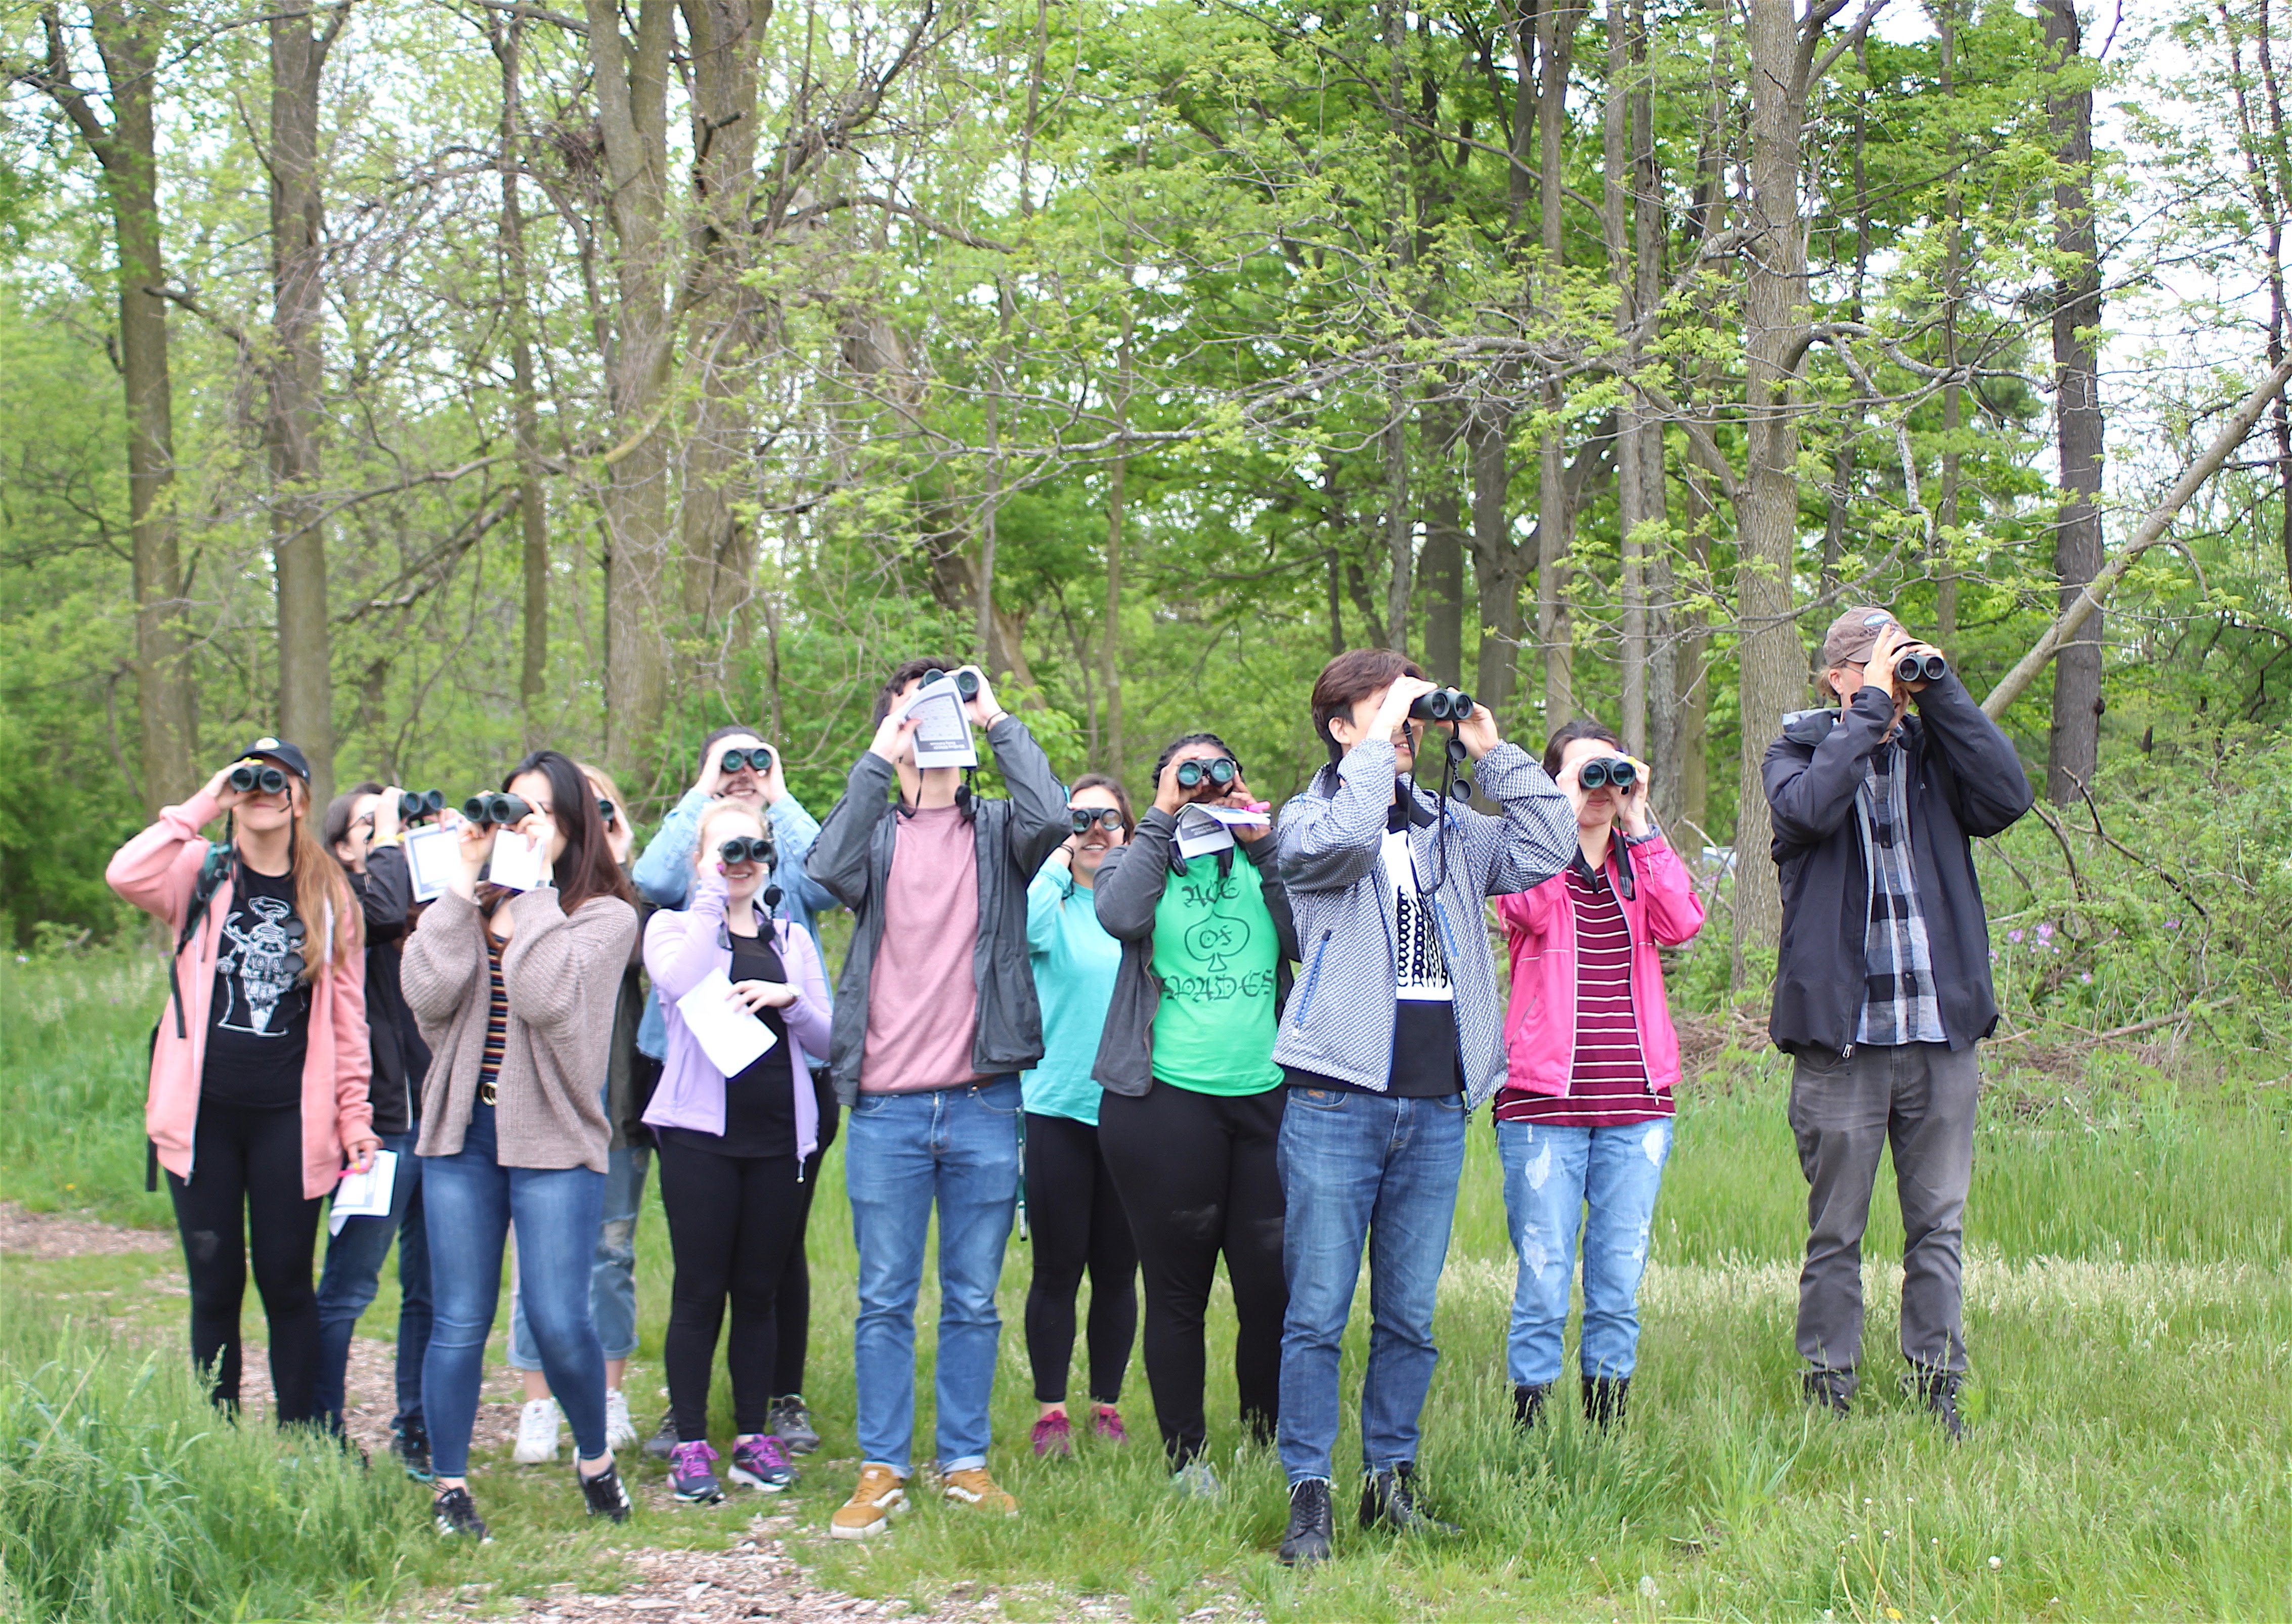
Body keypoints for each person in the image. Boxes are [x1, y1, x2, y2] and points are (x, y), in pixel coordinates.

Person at [1270, 651, 1574, 1564]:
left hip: (1436, 1102)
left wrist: (1491, 749)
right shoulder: (1309, 817)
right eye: (1384, 710)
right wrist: (1379, 745)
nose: (1406, 727)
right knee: (1318, 1311)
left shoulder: (1450, 826)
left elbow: (1551, 846)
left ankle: (1391, 1481)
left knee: (1410, 1315)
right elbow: (1341, 843)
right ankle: (1309, 1492)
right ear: (1339, 727)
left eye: (1412, 712)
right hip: (1337, 1096)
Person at [804, 658, 1067, 1538]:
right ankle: (880, 1468)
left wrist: (996, 719)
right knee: (882, 1296)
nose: (931, 725)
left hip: (984, 1101)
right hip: (885, 1107)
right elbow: (823, 869)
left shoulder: (997, 830)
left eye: (940, 711)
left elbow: (1055, 818)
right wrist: (882, 754)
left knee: (972, 1298)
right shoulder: (872, 834)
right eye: (915, 715)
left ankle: (964, 1465)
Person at [1764, 609, 2033, 1438]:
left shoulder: (1935, 757)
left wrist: (1941, 694)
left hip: (1937, 1035)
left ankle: (1937, 1385)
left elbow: (2008, 798)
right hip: (1843, 1045)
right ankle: (1829, 1387)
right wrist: (1869, 715)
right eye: (1883, 663)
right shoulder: (1798, 752)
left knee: (1938, 1227)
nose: (1899, 678)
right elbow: (1807, 815)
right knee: (1836, 1229)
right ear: (1843, 674)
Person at [401, 749, 640, 1539]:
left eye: (536, 815)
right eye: (508, 811)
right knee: (459, 1319)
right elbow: (428, 1000)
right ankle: (450, 1488)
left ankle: (595, 1459)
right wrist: (457, 891)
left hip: (555, 1140)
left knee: (559, 1317)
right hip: (461, 1132)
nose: (517, 827)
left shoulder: (607, 918)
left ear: (572, 829)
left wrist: (530, 897)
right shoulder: (467, 907)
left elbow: (549, 1004)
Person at [106, 738, 378, 1429]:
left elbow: (349, 1024)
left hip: (292, 1117)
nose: (264, 791)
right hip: (204, 1118)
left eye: (279, 781)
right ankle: (217, 1442)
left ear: (303, 799)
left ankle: (300, 1441)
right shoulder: (199, 871)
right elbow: (125, 873)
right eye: (252, 779)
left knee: (288, 1283)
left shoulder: (329, 895)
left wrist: (355, 1120)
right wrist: (206, 801)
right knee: (215, 1284)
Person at [1091, 737, 1296, 1495]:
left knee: (1268, 1286)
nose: (1204, 783)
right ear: (1162, 788)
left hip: (1266, 1097)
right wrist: (1161, 819)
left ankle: (1265, 1438)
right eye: (1188, 773)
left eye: (1218, 771)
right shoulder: (1133, 862)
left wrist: (1262, 838)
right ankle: (1187, 1458)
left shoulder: (1258, 860)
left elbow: (1308, 938)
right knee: (1176, 1288)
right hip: (1164, 1100)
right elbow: (1118, 917)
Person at [632, 725, 840, 1457]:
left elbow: (827, 1038)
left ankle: (755, 1431)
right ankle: (691, 1437)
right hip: (699, 1134)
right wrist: (710, 883)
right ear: (703, 859)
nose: (743, 864)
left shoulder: (792, 939)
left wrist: (792, 1001)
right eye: (729, 852)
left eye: (754, 852)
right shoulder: (672, 926)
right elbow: (683, 977)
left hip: (780, 1130)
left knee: (759, 1288)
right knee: (699, 1288)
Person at [1494, 721, 1705, 1433]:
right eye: (1582, 773)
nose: (1598, 789)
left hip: (1636, 1105)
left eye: (1607, 773)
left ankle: (1605, 1427)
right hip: (1541, 1105)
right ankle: (1530, 1428)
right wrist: (1555, 817)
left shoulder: (1637, 860)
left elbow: (1682, 923)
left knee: (1617, 1279)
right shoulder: (1531, 859)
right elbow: (1524, 908)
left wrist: (1639, 817)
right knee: (1545, 1277)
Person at [505, 764, 652, 1462]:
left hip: (613, 1104)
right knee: (536, 1268)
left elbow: (646, 945)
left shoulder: (620, 903)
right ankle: (539, 1404)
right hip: (532, 1107)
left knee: (610, 1255)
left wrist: (618, 849)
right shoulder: (507, 894)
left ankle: (608, 1391)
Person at [314, 781, 437, 1473]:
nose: (386, 837)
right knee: (350, 1287)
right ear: (338, 848)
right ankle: (321, 1427)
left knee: (432, 1291)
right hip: (378, 1129)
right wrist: (391, 839)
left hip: (442, 1128)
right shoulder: (338, 905)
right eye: (368, 827)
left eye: (392, 827)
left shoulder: (425, 913)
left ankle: (416, 1424)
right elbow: (380, 909)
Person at [1019, 773, 1139, 1458]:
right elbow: (1027, 933)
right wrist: (1060, 862)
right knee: (1058, 1268)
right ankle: (1051, 1411)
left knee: (1118, 1269)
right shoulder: (1054, 902)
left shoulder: (1137, 907)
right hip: (1056, 1106)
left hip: (1128, 1109)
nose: (1098, 831)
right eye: (1083, 819)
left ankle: (1107, 1406)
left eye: (1110, 820)